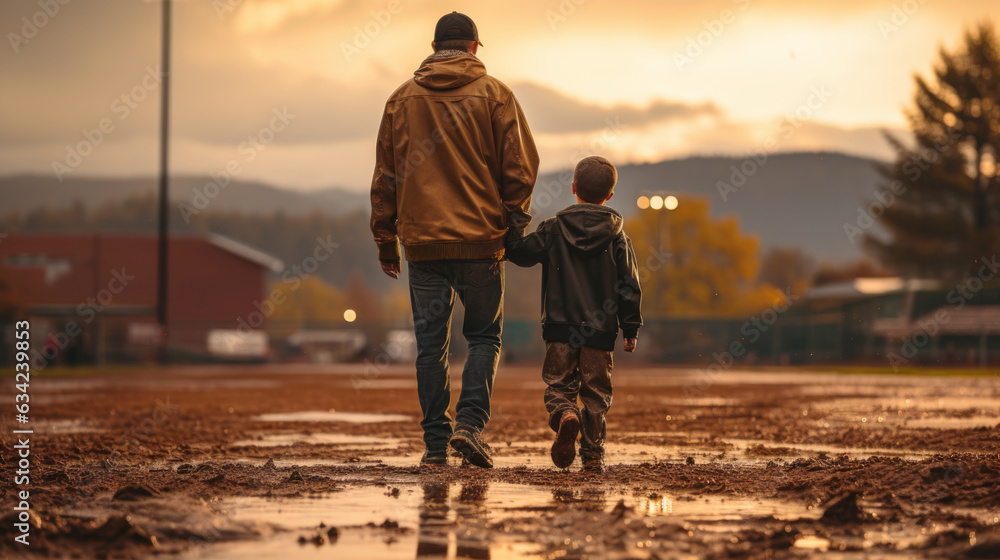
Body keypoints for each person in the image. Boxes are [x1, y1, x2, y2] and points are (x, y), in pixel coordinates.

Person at [369, 12, 539, 469]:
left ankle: (435, 445)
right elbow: (520, 170)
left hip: (422, 245)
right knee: (484, 338)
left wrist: (387, 240)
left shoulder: (400, 99)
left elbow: (385, 177)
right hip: (483, 241)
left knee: (431, 346)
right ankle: (469, 426)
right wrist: (514, 221)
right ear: (474, 47)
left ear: (433, 46)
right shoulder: (496, 95)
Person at [506, 156, 642, 472]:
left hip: (559, 327)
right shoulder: (618, 236)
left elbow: (519, 253)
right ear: (609, 195)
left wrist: (516, 221)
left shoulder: (553, 229)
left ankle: (566, 414)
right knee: (596, 394)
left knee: (558, 385)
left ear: (573, 188)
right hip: (601, 329)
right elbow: (629, 286)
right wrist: (630, 327)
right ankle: (593, 456)